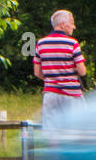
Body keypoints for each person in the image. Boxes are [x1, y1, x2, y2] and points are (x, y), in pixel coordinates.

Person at [33, 10, 87, 141]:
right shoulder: (72, 43)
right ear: (63, 24)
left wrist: (52, 79)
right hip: (71, 95)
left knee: (53, 134)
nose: (74, 27)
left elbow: (37, 72)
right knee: (76, 132)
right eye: (72, 23)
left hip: (51, 94)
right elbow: (82, 71)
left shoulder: (41, 44)